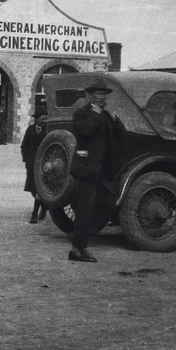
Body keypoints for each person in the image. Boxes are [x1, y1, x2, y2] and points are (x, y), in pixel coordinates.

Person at [68, 79, 122, 263]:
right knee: (84, 210)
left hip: (102, 172)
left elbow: (120, 136)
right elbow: (85, 131)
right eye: (99, 95)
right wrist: (98, 115)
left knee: (108, 203)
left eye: (104, 95)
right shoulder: (81, 114)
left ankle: (80, 239)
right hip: (86, 170)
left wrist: (115, 119)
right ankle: (77, 249)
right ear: (90, 96)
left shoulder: (105, 115)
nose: (103, 98)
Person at [20, 109, 48, 223]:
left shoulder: (48, 129)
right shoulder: (30, 129)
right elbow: (24, 145)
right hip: (31, 162)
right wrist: (26, 159)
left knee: (37, 188)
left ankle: (34, 214)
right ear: (36, 119)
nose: (45, 121)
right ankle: (44, 206)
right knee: (32, 188)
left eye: (46, 119)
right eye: (42, 119)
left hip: (43, 162)